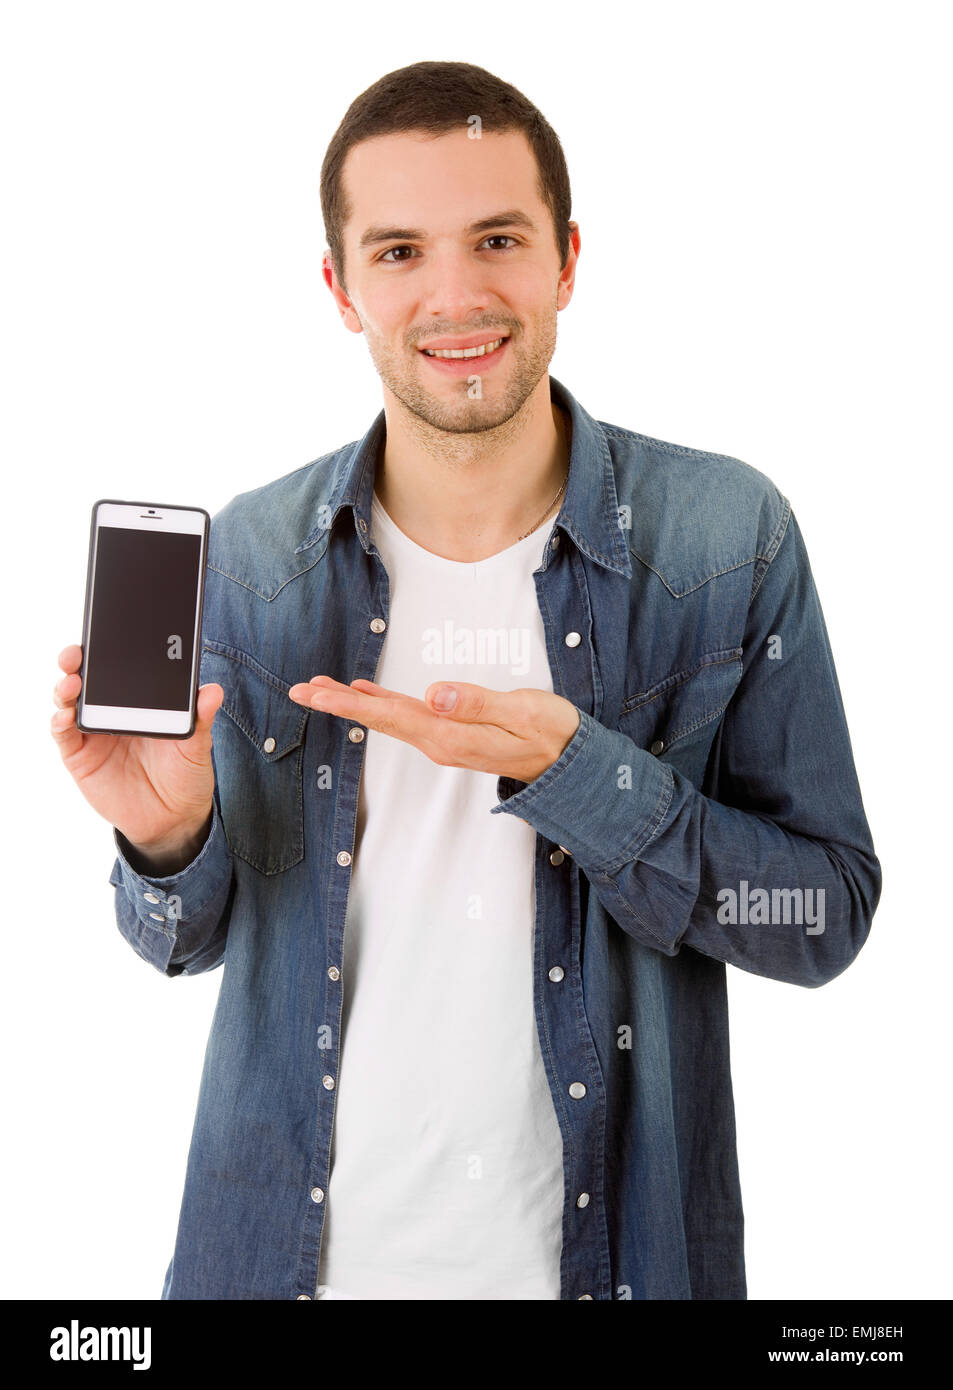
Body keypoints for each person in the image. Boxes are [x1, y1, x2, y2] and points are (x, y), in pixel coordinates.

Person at [51, 60, 881, 1301]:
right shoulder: (255, 565)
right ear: (339, 288)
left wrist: (577, 777)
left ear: (565, 259)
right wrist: (166, 841)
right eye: (397, 252)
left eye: (496, 238)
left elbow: (817, 918)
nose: (453, 295)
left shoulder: (725, 539)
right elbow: (184, 941)